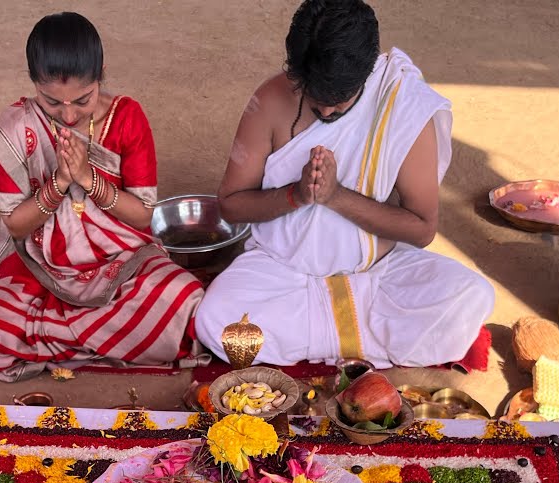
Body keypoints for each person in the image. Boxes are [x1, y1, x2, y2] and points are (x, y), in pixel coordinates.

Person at [194, 0, 494, 369]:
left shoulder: (403, 105)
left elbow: (421, 229)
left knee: (470, 296)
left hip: (376, 278)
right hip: (282, 273)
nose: (324, 113)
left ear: (367, 74)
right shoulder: (272, 99)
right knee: (216, 320)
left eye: (337, 104)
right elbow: (231, 204)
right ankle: (366, 346)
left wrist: (335, 196)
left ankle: (309, 344)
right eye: (314, 100)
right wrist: (297, 195)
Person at [0, 12, 207, 380]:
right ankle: (108, 337)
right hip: (42, 265)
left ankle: (63, 341)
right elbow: (15, 225)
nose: (68, 114)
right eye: (52, 102)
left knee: (185, 300)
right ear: (33, 84)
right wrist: (60, 182)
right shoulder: (19, 126)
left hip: (121, 260)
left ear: (100, 74)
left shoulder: (127, 117)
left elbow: (142, 216)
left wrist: (88, 178)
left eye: (82, 99)